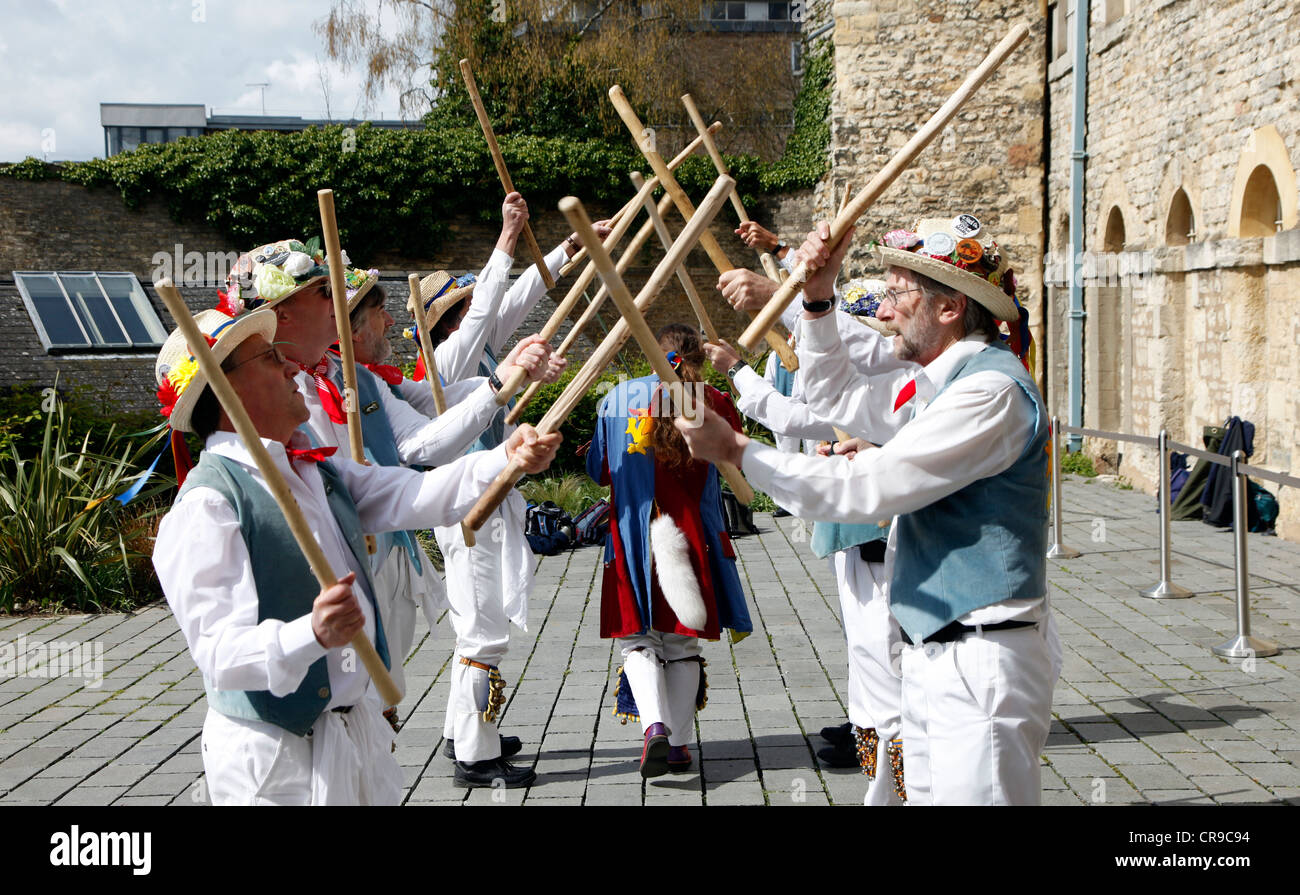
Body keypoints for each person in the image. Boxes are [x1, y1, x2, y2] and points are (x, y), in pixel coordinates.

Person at [681, 213, 1058, 805]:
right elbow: (833, 397)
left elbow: (872, 491)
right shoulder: (937, 387)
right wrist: (816, 299)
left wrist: (737, 450)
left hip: (983, 655)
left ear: (950, 309)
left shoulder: (990, 392)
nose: (885, 310)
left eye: (899, 294)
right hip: (938, 648)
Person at [151, 307, 560, 805]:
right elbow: (219, 654)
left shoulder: (314, 469)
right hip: (276, 758)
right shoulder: (207, 505)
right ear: (229, 389)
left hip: (353, 735)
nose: (293, 369)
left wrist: (505, 460)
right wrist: (311, 633)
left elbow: (411, 493)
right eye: (272, 359)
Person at [418, 202, 609, 788]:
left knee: (477, 628)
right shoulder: (444, 360)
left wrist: (570, 250)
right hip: (468, 511)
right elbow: (485, 312)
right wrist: (506, 233)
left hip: (491, 501)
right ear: (449, 321)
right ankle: (478, 757)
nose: (484, 308)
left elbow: (517, 297)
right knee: (484, 633)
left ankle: (461, 733)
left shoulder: (475, 349)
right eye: (469, 305)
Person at [705, 282, 912, 804]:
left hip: (883, 535)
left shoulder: (902, 377)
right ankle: (873, 752)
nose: (888, 319)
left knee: (881, 652)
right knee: (867, 654)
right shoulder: (884, 381)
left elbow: (795, 415)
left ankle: (893, 773)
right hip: (861, 530)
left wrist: (737, 371)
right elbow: (810, 410)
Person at [587, 324, 753, 777]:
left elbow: (600, 470)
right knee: (681, 645)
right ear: (696, 355)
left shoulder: (616, 400)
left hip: (633, 537)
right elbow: (739, 460)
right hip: (692, 531)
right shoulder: (715, 401)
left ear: (653, 355)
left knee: (637, 640)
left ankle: (654, 726)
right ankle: (678, 746)